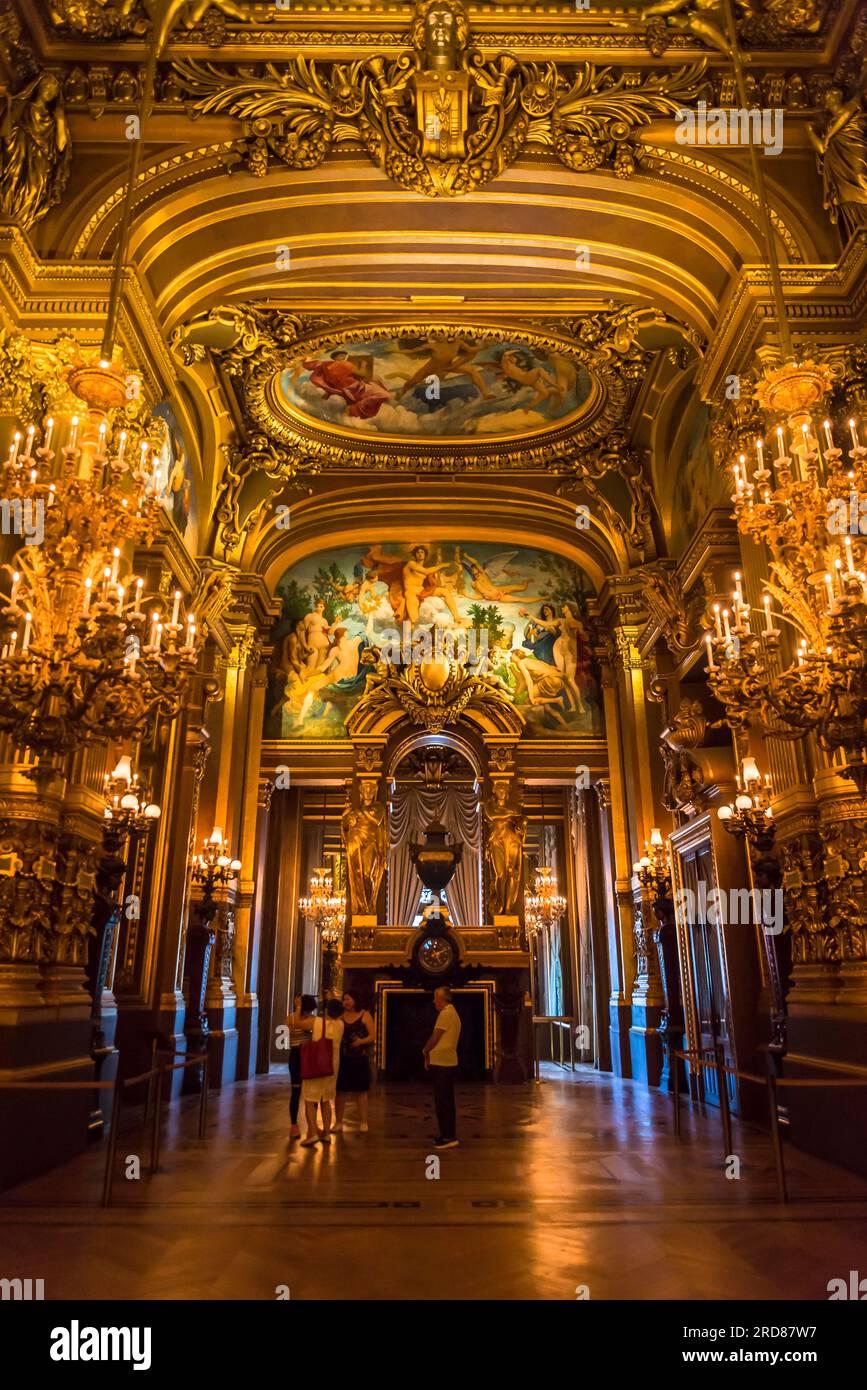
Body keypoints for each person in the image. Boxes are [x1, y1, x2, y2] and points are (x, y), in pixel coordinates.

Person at [297, 997, 345, 1146]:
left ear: (326, 1010)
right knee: (326, 1100)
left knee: (310, 1099)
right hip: (332, 1066)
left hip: (316, 1064)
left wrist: (299, 1007)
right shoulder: (341, 1025)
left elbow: (297, 1023)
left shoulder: (317, 1022)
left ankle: (312, 1133)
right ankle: (326, 1133)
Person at [422, 986, 461, 1150]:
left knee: (443, 1101)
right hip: (444, 1061)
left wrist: (425, 1051)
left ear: (443, 999)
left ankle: (449, 1137)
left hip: (443, 1063)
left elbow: (435, 1037)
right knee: (444, 1100)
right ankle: (446, 1134)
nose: (433, 1001)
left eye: (435, 998)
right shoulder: (450, 1013)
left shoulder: (446, 1013)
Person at [334, 991, 376, 1132]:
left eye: (348, 999)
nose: (345, 1002)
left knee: (361, 1091)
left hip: (359, 1058)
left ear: (355, 1000)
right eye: (343, 999)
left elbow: (373, 1036)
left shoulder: (365, 1015)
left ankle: (363, 1122)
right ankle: (338, 1122)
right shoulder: (341, 1016)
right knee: (340, 1091)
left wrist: (361, 1042)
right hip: (343, 1058)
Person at [285, 993, 317, 1141]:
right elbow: (290, 1030)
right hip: (297, 1055)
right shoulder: (291, 1018)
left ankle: (312, 1126)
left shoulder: (312, 1019)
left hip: (308, 1054)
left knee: (312, 1093)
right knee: (296, 1091)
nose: (310, 1013)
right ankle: (294, 1125)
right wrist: (298, 1010)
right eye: (308, 1009)